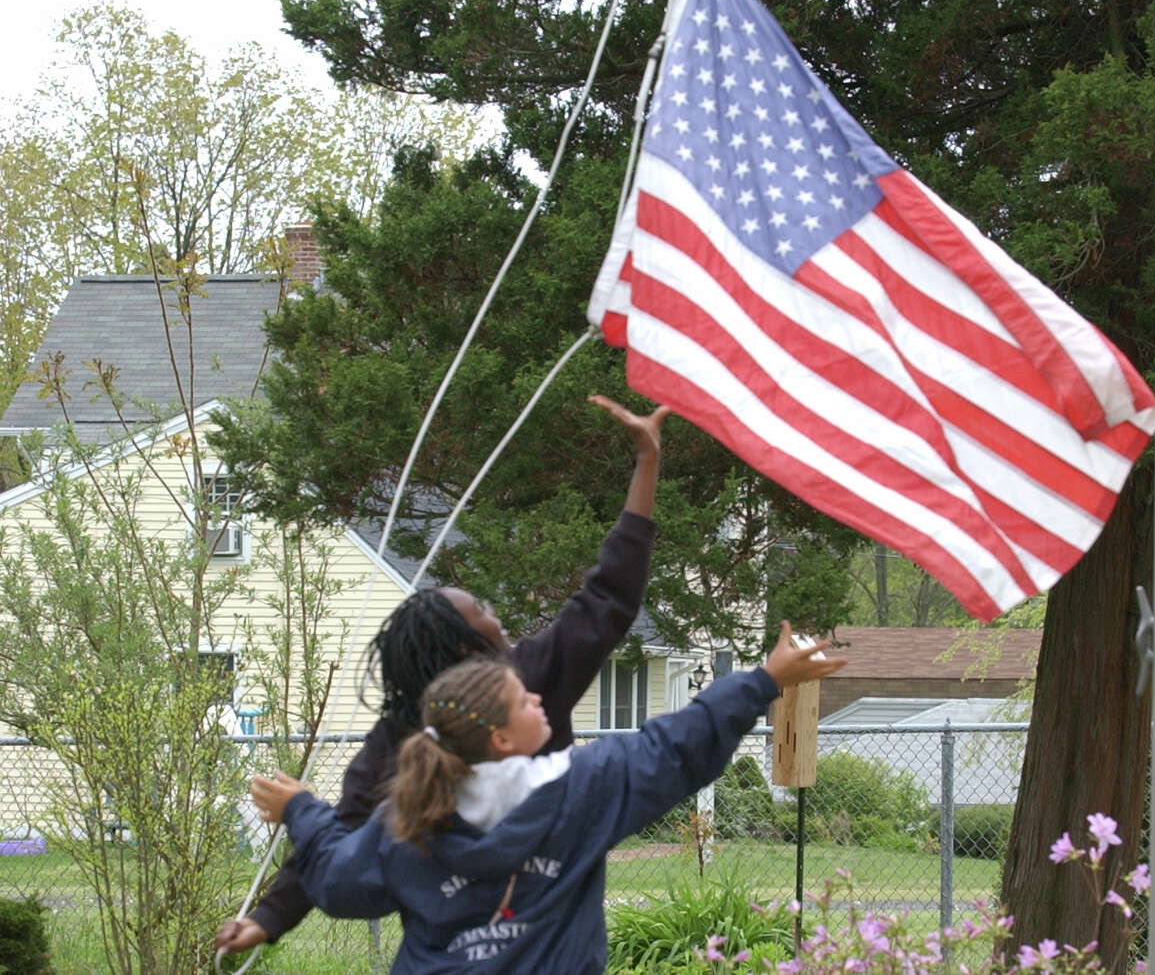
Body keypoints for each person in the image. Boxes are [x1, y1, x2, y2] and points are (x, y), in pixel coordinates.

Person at [216, 394, 670, 954]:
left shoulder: (501, 686)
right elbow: (349, 831)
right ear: (465, 641)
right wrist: (269, 917)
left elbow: (609, 595)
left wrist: (647, 464)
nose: (496, 613)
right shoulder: (506, 689)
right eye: (482, 609)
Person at [251, 622, 846, 973]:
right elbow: (676, 747)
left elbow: (339, 882)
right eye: (525, 701)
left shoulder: (406, 819)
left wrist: (301, 811)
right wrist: (765, 680)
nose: (540, 701)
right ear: (502, 738)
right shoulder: (581, 788)